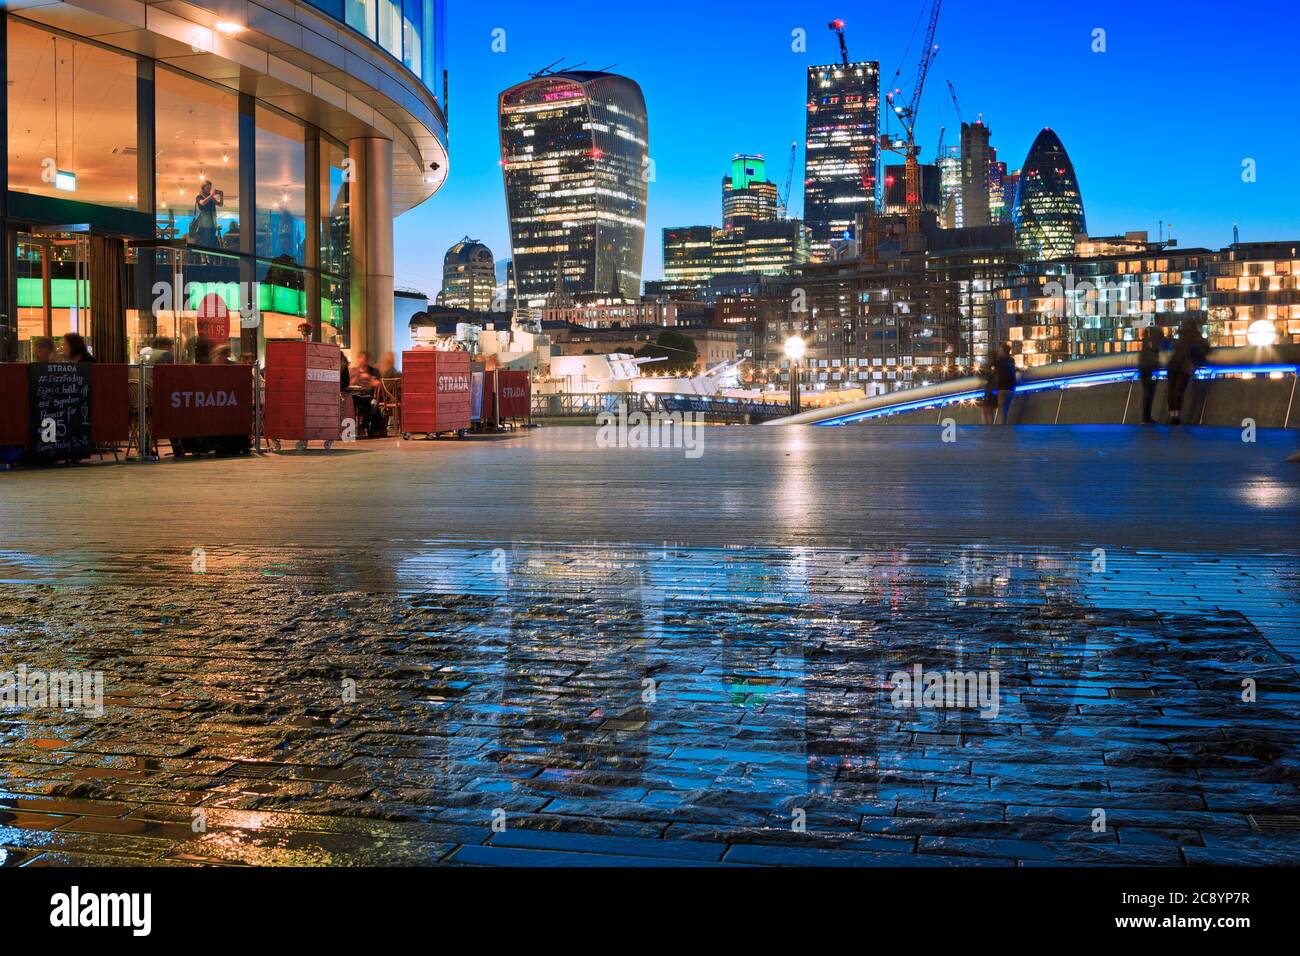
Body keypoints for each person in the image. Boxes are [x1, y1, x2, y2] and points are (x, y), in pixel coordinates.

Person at [1166, 317, 1210, 425]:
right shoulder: (1196, 336)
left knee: (1171, 391)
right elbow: (1205, 347)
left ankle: (1173, 416)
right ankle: (1177, 417)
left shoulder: (1180, 335)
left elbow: (1173, 345)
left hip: (1172, 364)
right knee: (1178, 391)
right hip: (1183, 366)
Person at [1136, 325, 1167, 424]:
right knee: (1150, 391)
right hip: (1152, 366)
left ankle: (1145, 417)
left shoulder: (1146, 335)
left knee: (1146, 391)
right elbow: (1164, 345)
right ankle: (1146, 417)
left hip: (1142, 365)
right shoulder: (1157, 334)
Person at [192, 180, 223, 247]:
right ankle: (205, 255)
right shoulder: (199, 196)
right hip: (205, 221)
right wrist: (212, 195)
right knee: (206, 240)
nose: (209, 189)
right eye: (208, 188)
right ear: (203, 188)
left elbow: (220, 204)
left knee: (211, 240)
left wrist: (221, 195)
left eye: (210, 188)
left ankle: (209, 254)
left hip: (213, 221)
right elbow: (202, 203)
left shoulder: (210, 196)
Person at [993, 345, 1017, 425]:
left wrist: (996, 356)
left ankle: (1003, 427)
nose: (999, 352)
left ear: (1003, 351)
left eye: (1000, 350)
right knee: (1005, 409)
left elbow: (992, 365)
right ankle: (1004, 425)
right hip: (1011, 388)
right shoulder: (1011, 360)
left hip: (1002, 388)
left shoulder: (999, 361)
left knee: (1001, 409)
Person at [977, 360, 997, 425]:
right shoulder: (992, 374)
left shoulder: (982, 375)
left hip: (985, 394)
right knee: (989, 412)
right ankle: (989, 427)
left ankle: (985, 426)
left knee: (984, 411)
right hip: (989, 394)